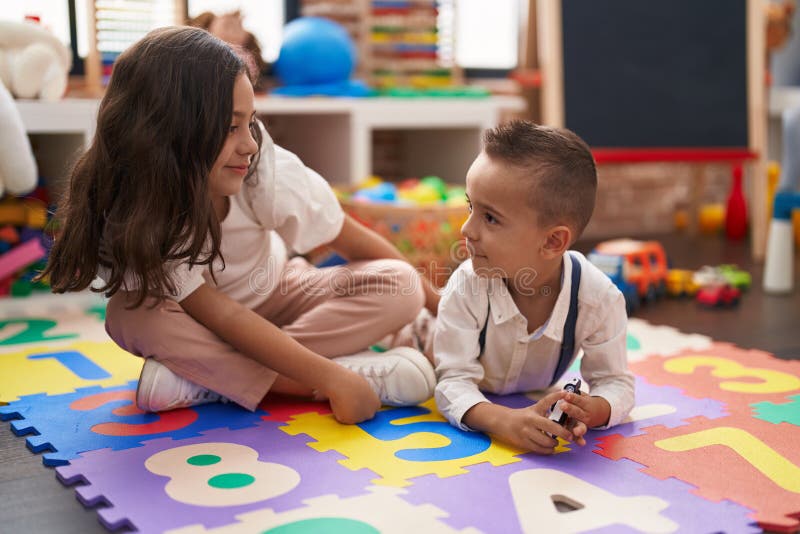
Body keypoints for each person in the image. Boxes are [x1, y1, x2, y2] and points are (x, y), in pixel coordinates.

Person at [40, 27, 440, 425]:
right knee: (131, 314)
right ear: (168, 133)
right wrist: (330, 378)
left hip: (278, 289)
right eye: (231, 127)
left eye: (250, 123)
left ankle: (208, 381)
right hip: (197, 322)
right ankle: (299, 378)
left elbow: (350, 238)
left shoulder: (264, 167)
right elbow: (223, 317)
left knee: (400, 283)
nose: (249, 143)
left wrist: (440, 307)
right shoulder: (140, 205)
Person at [433, 120, 635, 454]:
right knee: (409, 378)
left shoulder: (597, 298)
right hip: (428, 342)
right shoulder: (467, 285)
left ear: (553, 241)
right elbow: (452, 381)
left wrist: (593, 409)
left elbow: (616, 383)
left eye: (491, 218)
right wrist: (503, 421)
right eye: (471, 207)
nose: (467, 229)